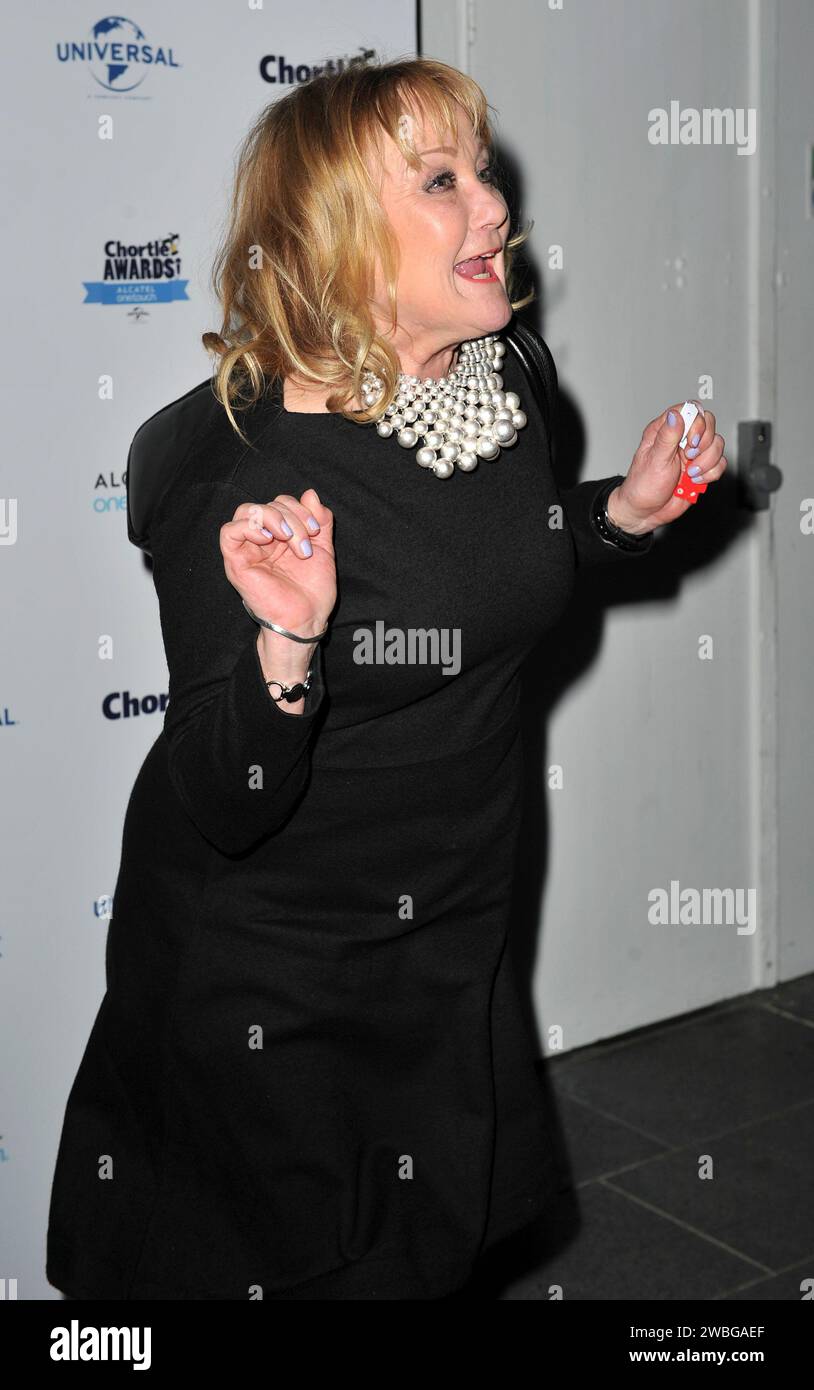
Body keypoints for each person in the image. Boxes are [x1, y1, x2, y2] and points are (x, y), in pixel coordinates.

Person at [46, 56, 727, 1301]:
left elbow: (490, 576)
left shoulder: (498, 378)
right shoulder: (234, 473)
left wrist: (620, 515)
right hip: (273, 978)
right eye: (439, 181)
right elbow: (226, 791)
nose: (492, 207)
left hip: (444, 941)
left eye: (482, 169)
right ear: (337, 236)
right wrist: (288, 645)